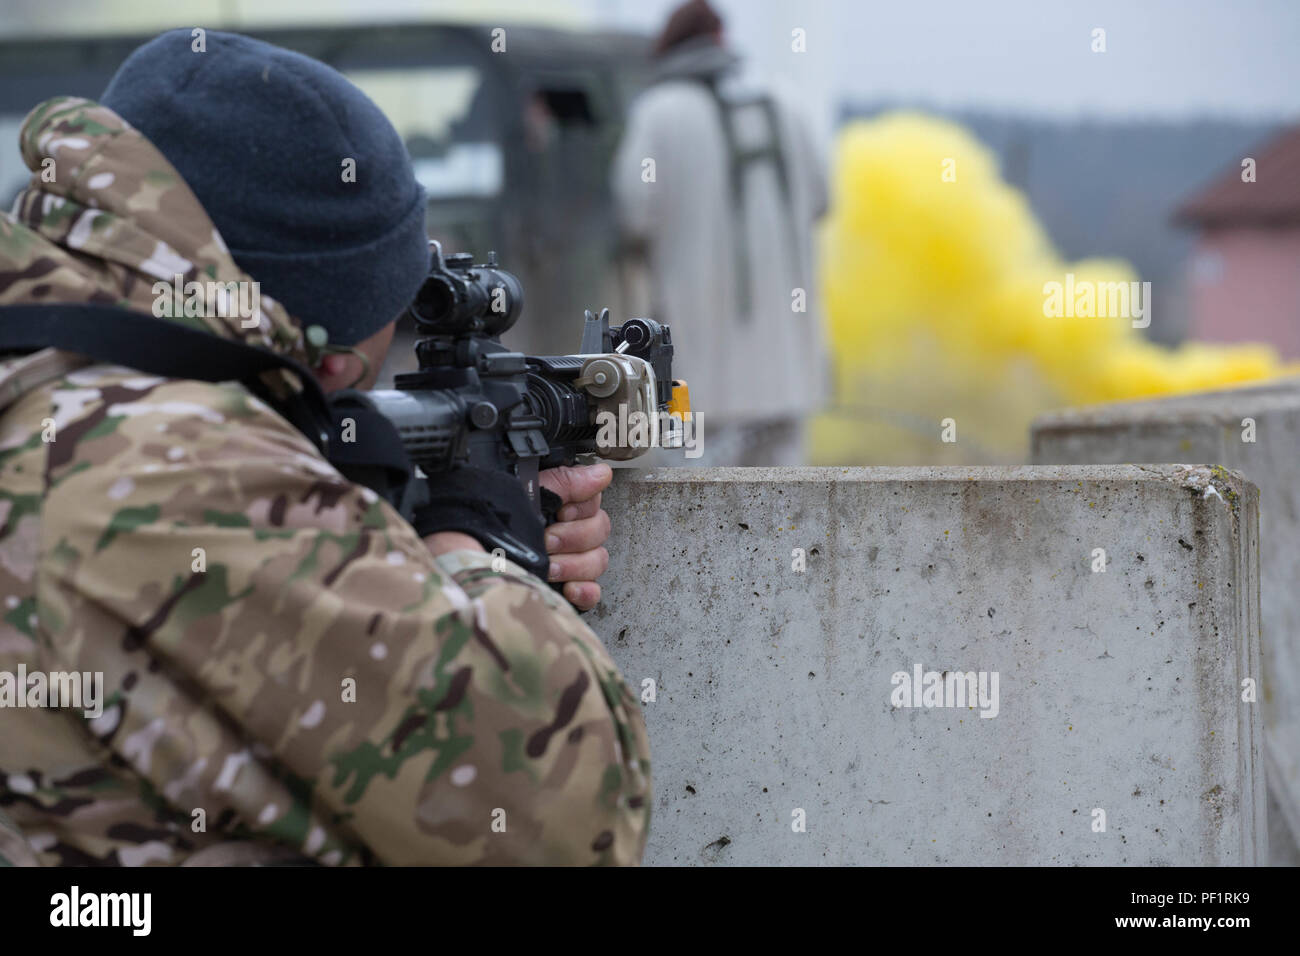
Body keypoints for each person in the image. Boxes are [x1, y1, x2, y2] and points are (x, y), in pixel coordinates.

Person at [0, 29, 648, 866]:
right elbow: (564, 818)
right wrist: (483, 555)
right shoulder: (181, 475)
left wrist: (369, 547)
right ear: (334, 359)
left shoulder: (49, 378)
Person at [612, 0, 830, 466]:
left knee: (702, 511)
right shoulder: (784, 103)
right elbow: (823, 199)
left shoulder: (658, 113)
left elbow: (634, 215)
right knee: (787, 505)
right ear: (721, 41)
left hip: (701, 373)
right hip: (787, 372)